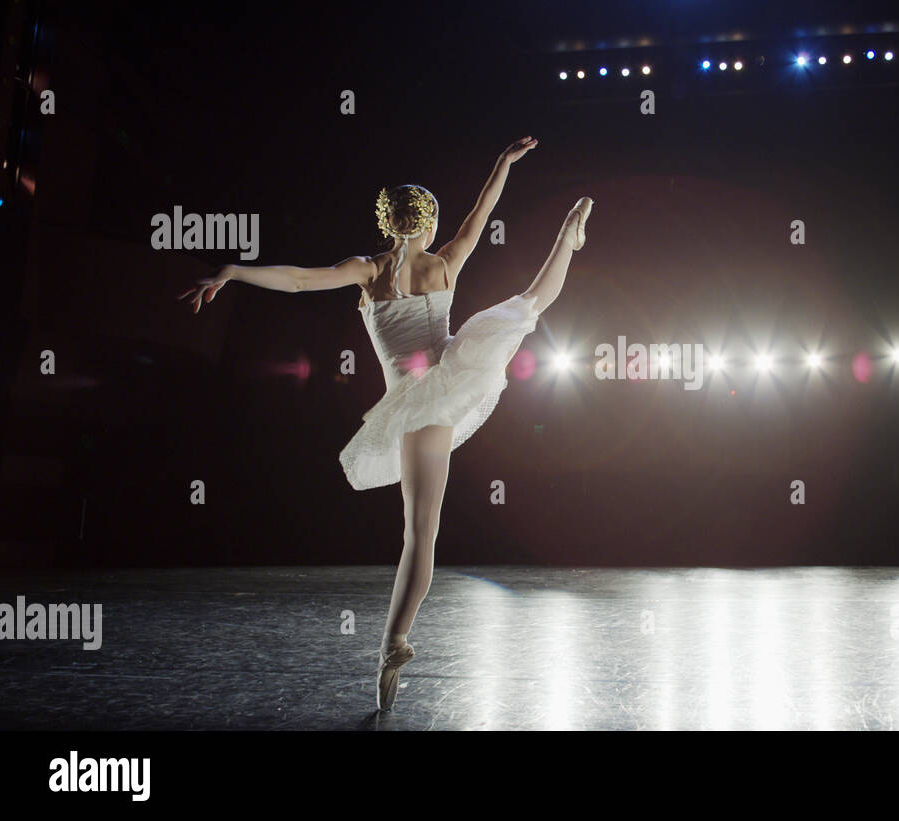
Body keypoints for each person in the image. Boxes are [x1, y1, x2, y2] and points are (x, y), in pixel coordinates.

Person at [178, 136, 593, 710]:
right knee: (527, 305)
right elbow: (482, 213)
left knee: (416, 533)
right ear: (428, 221)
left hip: (412, 397)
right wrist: (501, 163)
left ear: (387, 222)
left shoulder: (366, 270)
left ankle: (394, 643)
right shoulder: (445, 261)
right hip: (446, 382)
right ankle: (568, 239)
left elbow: (298, 280)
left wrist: (233, 271)